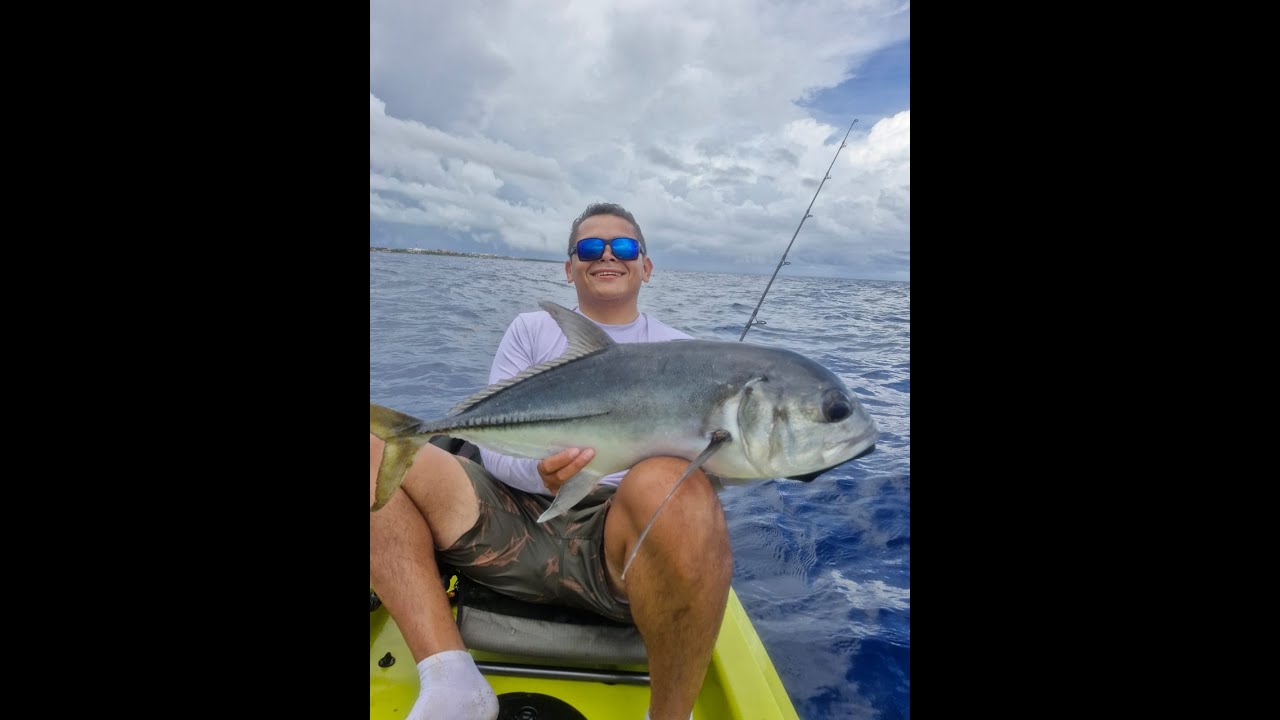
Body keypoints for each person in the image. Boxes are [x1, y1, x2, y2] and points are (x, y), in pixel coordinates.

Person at [369, 202, 732, 720]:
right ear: (569, 268)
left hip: (621, 534)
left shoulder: (686, 352)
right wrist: (537, 471)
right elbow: (493, 445)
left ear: (646, 267)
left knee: (666, 482)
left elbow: (710, 474)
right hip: (514, 508)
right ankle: (451, 681)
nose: (607, 255)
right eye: (589, 248)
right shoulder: (531, 330)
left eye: (624, 247)